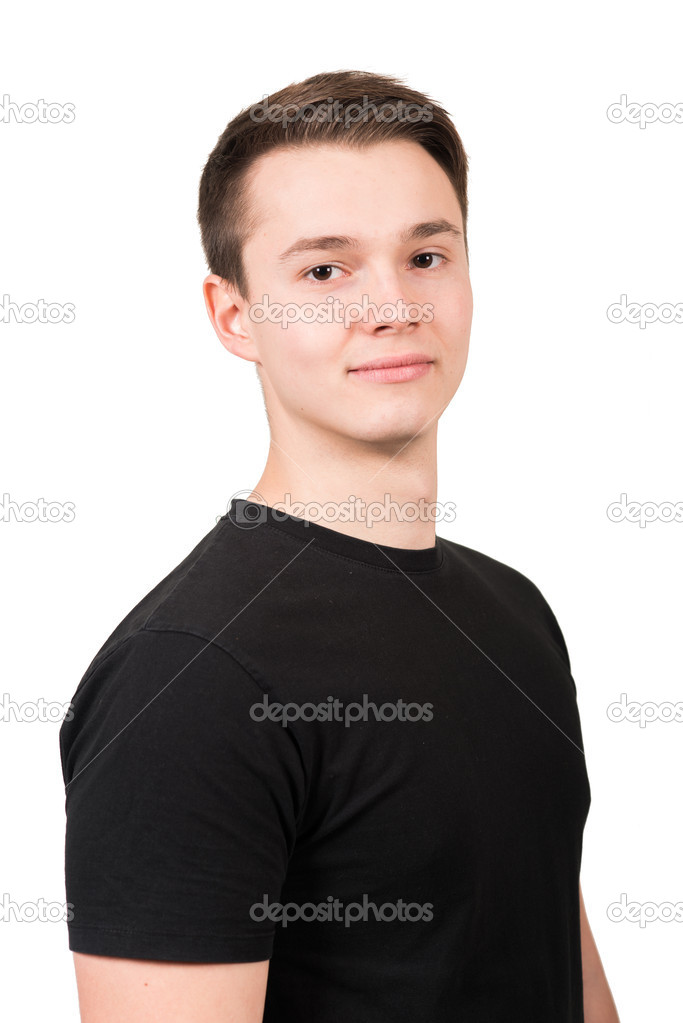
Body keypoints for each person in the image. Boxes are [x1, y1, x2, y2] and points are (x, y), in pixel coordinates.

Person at [59, 69, 620, 1022]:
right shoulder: (191, 674)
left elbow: (552, 961)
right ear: (236, 315)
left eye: (426, 257)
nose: (393, 305)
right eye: (325, 271)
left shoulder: (516, 613)